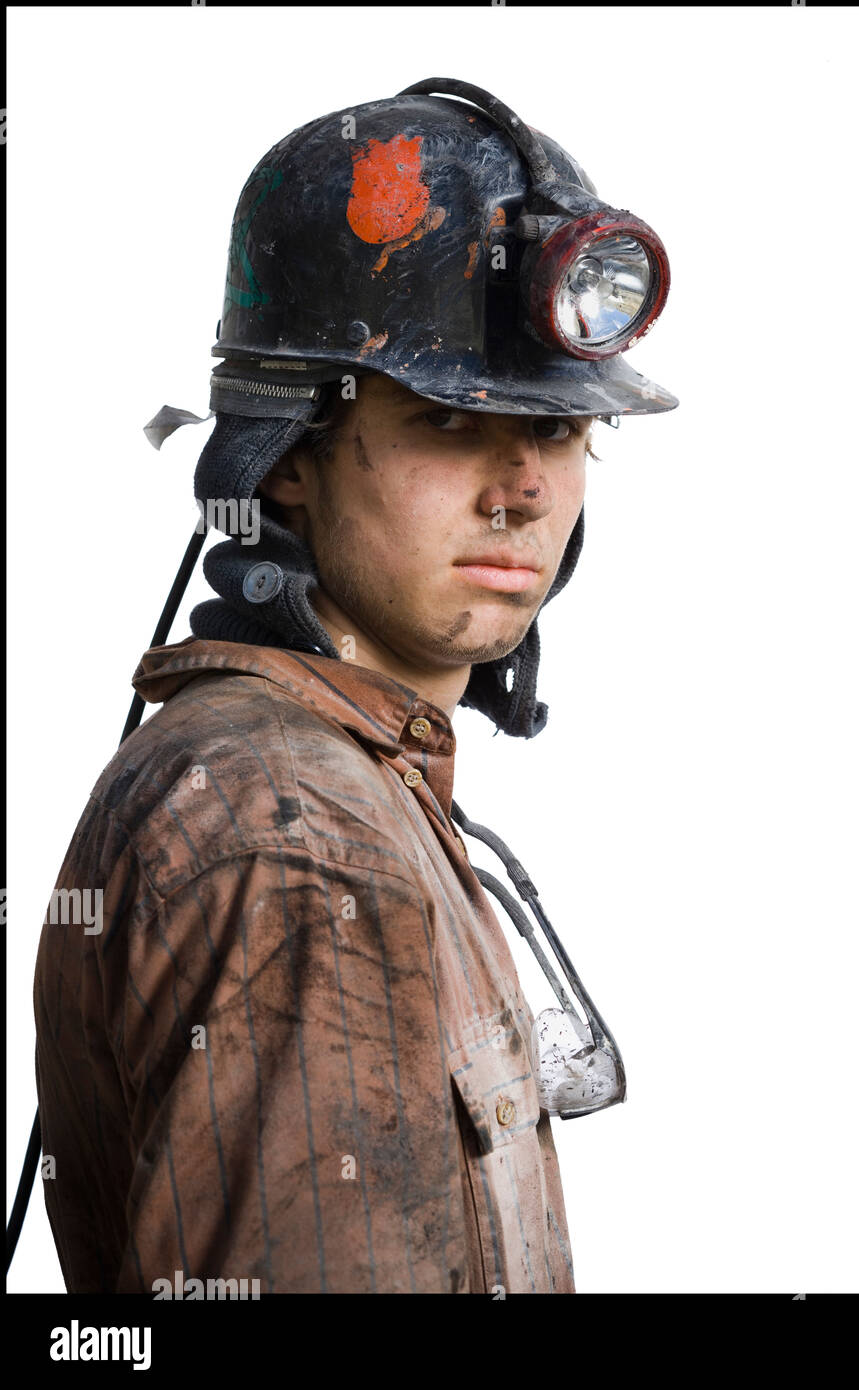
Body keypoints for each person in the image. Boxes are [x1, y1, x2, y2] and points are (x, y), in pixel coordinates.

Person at [31, 77, 675, 1294]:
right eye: (446, 420)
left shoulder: (349, 787)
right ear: (280, 463)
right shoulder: (293, 829)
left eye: (555, 435)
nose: (522, 488)